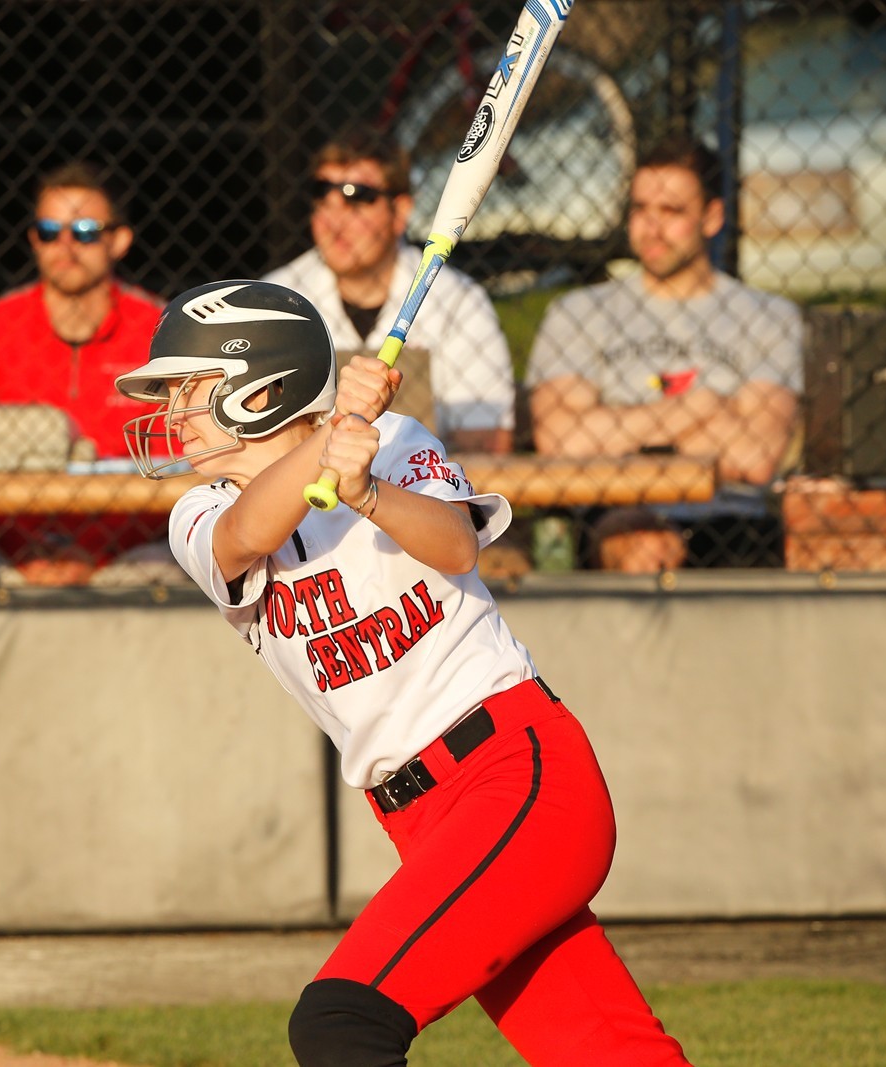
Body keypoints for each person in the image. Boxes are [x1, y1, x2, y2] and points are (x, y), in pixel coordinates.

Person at [113, 279, 690, 1066]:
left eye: (190, 386)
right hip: (419, 820)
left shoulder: (390, 440)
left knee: (340, 1021)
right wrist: (329, 441)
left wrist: (368, 484)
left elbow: (457, 546)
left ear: (258, 389)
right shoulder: (197, 514)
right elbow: (248, 533)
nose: (171, 409)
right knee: (614, 1056)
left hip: (517, 773)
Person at [526, 134, 803, 570]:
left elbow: (755, 458)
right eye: (640, 209)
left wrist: (619, 431)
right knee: (643, 543)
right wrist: (703, 408)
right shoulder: (579, 312)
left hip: (730, 517)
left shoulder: (768, 316)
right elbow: (561, 442)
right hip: (615, 508)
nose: (651, 227)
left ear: (712, 217)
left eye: (672, 211)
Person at [0, 161, 167, 585]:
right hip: (8, 552)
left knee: (168, 570)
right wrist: (28, 549)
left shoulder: (161, 330)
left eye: (84, 231)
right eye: (49, 232)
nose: (66, 246)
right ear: (33, 240)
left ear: (119, 241)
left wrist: (95, 551)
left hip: (130, 551)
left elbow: (187, 464)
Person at [264, 126, 515, 454]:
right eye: (322, 194)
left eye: (359, 198)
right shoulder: (276, 297)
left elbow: (485, 440)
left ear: (400, 212)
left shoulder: (456, 300)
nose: (335, 219)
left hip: (421, 491)